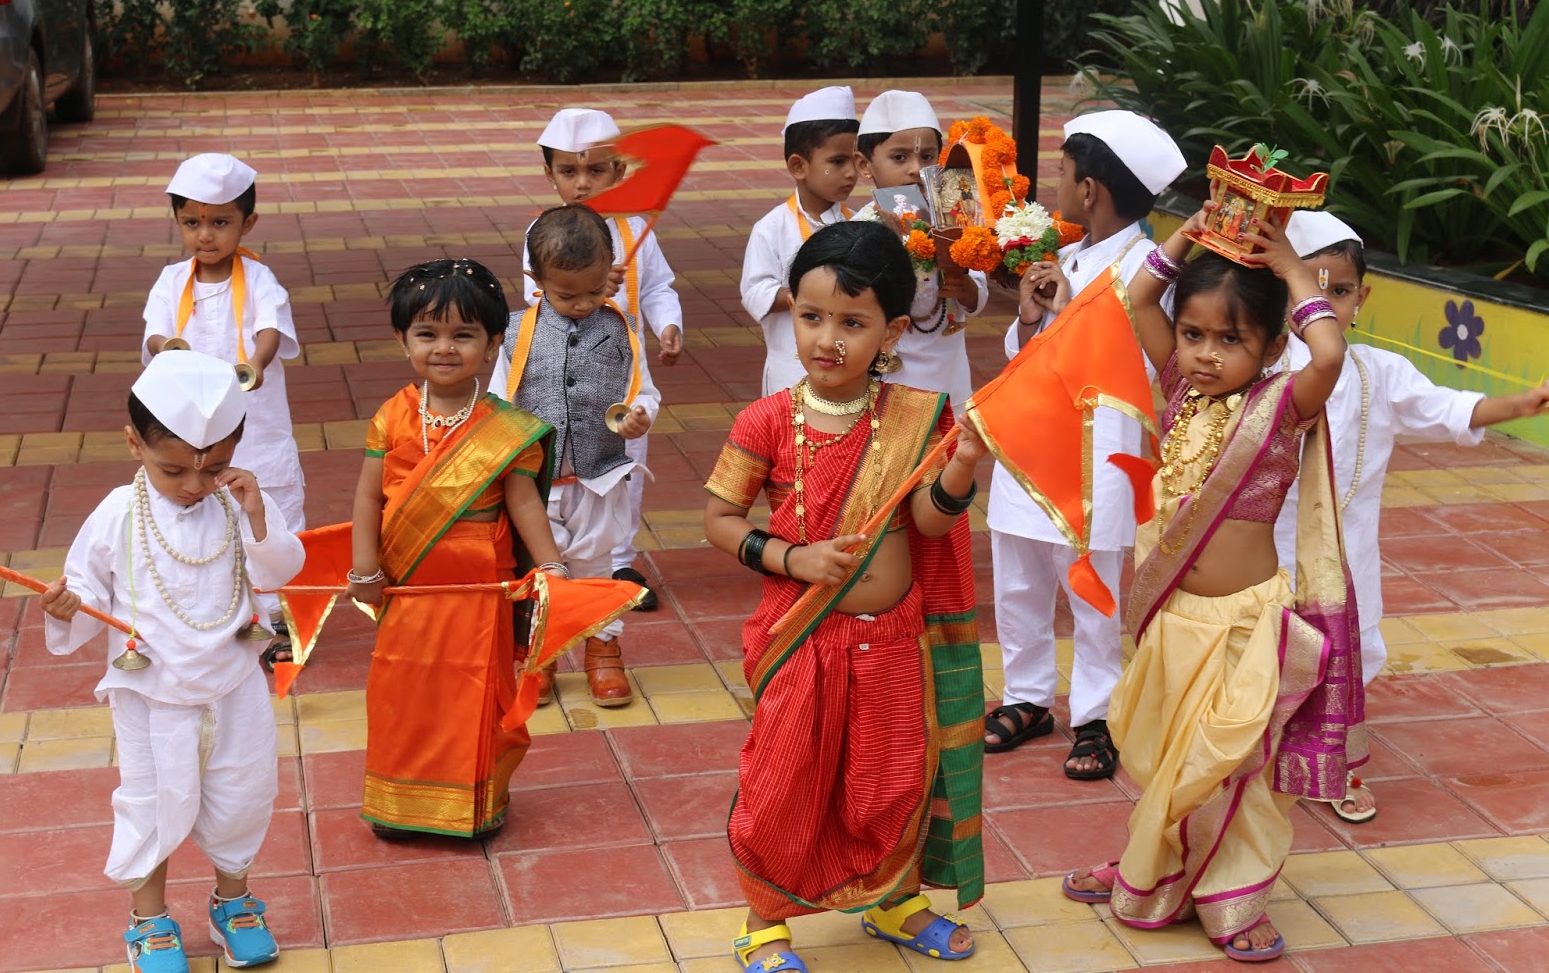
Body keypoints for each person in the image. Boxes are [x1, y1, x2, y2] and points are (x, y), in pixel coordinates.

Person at [1061, 203, 1359, 964]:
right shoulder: (1183, 391)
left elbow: (1327, 356)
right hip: (1175, 614)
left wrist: (1294, 270)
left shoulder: (1281, 405)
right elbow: (1135, 301)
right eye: (1193, 334)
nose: (1203, 354)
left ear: (1267, 347)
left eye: (1230, 340)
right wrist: (1193, 228)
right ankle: (1148, 863)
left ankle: (1232, 898)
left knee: (1230, 765)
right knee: (1165, 755)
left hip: (1243, 624)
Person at [704, 221, 989, 972]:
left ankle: (891, 900)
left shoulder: (919, 415)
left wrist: (959, 467)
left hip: (895, 638)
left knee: (889, 778)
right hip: (805, 634)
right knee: (784, 781)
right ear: (791, 309)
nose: (828, 339)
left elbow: (927, 521)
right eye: (812, 316)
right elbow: (720, 519)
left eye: (853, 323)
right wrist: (795, 558)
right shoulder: (765, 419)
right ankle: (765, 921)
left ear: (892, 330)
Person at [1272, 211, 1549, 823]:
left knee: (1350, 658)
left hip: (1349, 558)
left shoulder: (1381, 373)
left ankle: (1335, 766)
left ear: (1361, 298)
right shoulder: (1265, 369)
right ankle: (1265, 757)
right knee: (1262, 656)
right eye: (1309, 289)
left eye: (1339, 291)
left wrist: (1520, 404)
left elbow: (1448, 408)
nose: (1325, 305)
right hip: (1266, 552)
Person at [39, 350, 306, 972]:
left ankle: (233, 903)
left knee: (243, 793)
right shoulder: (116, 512)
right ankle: (149, 921)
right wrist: (64, 610)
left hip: (235, 684)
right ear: (134, 444)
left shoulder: (238, 500)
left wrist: (259, 517)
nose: (193, 484)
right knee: (152, 801)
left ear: (236, 445)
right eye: (174, 469)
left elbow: (285, 572)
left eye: (211, 468)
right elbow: (84, 593)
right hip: (151, 694)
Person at [322, 258, 574, 840]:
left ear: (491, 345)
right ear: (403, 340)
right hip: (407, 587)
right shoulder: (392, 417)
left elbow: (525, 505)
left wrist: (552, 568)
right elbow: (367, 501)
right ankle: (399, 803)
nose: (444, 348)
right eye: (427, 333)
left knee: (474, 695)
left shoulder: (507, 429)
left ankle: (471, 807)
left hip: (480, 589)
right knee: (403, 692)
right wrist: (363, 570)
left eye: (463, 335)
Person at [983, 111, 1186, 779]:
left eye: (1064, 174)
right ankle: (1028, 694)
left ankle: (1096, 711)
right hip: (1027, 441)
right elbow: (1026, 355)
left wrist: (1065, 314)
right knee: (1018, 580)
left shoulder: (1149, 271)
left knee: (1093, 590)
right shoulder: (1064, 258)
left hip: (1097, 454)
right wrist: (1031, 314)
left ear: (1091, 190)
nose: (1057, 188)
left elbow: (1141, 361)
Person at [490, 205, 657, 706]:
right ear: (535, 278)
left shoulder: (623, 331)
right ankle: (539, 655)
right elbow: (499, 402)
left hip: (598, 478)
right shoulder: (515, 331)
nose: (583, 304)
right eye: (567, 295)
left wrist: (641, 415)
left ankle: (603, 650)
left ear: (610, 271)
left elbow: (642, 391)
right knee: (539, 571)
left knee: (597, 566)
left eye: (593, 291)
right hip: (534, 486)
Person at [523, 107, 686, 608]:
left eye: (596, 170)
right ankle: (551, 556)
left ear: (619, 170)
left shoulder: (637, 230)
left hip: (622, 375)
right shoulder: (541, 232)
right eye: (569, 171)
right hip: (563, 374)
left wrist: (669, 324)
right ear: (549, 174)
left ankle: (619, 560)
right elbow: (535, 299)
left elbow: (658, 287)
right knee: (557, 471)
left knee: (626, 465)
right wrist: (588, 289)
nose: (583, 184)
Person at [143, 154, 306, 536]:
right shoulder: (171, 281)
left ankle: (271, 591)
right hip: (188, 422)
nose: (204, 235)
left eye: (219, 223)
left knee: (268, 516)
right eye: (191, 223)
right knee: (196, 520)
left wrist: (258, 362)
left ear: (247, 223)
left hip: (256, 423)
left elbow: (270, 328)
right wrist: (168, 347)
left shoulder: (259, 278)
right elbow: (154, 334)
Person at [852, 90, 988, 408]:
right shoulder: (860, 230)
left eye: (927, 157)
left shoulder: (955, 216)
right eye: (900, 158)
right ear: (864, 164)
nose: (915, 168)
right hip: (887, 377)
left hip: (949, 376)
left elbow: (978, 294)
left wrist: (965, 287)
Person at [741, 85, 860, 396]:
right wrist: (811, 293)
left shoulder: (860, 222)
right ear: (798, 166)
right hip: (790, 369)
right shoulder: (772, 227)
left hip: (849, 364)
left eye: (855, 161)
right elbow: (754, 292)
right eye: (837, 162)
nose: (851, 173)